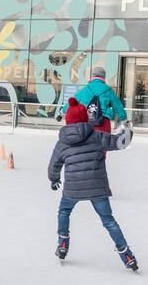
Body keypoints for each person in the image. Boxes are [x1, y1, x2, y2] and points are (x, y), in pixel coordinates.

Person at [48, 97, 137, 270]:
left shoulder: (62, 142)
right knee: (108, 220)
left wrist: (54, 179)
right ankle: (126, 254)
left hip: (73, 188)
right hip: (97, 188)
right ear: (85, 118)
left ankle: (63, 243)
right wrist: (128, 130)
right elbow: (121, 142)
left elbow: (54, 165)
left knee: (64, 211)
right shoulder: (96, 136)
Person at [74, 65, 127, 132]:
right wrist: (124, 119)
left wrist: (61, 113)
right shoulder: (108, 90)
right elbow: (118, 106)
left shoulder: (85, 89)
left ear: (93, 76)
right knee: (104, 141)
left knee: (88, 142)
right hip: (103, 121)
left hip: (87, 120)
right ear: (103, 76)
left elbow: (73, 101)